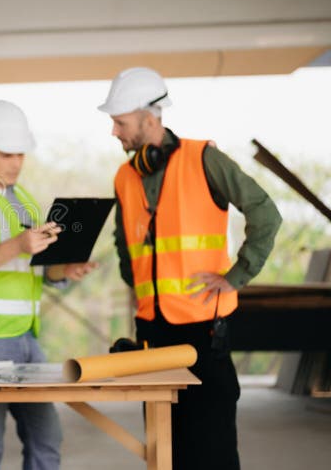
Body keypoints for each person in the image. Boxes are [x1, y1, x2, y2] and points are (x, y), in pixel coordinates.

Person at [99, 67, 282, 470]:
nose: (114, 131)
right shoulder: (124, 177)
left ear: (149, 118)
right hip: (151, 332)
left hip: (203, 330)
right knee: (165, 450)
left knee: (212, 449)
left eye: (120, 122)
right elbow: (124, 246)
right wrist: (143, 286)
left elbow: (266, 213)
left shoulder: (204, 159)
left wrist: (236, 276)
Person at [0, 99, 97, 470]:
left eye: (21, 154)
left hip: (25, 338)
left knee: (46, 436)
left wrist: (63, 270)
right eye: (7, 154)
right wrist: (18, 245)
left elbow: (30, 269)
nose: (16, 163)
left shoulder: (21, 199)